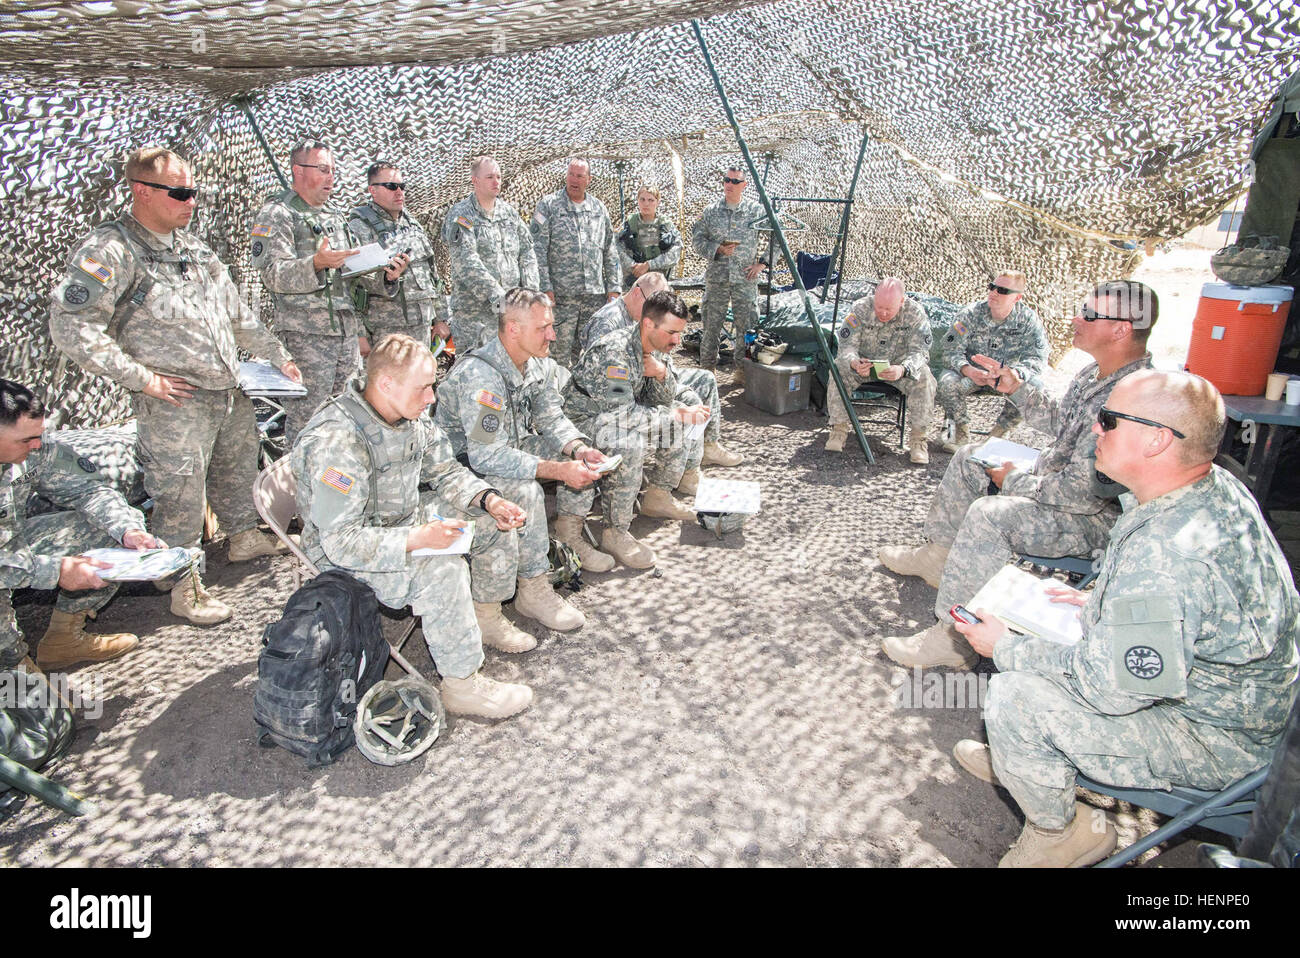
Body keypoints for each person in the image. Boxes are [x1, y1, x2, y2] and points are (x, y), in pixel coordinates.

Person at [950, 370, 1299, 867]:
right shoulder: (1210, 488)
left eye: (1110, 420)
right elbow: (1194, 611)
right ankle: (1025, 765)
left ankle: (1059, 833)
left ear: (1158, 440)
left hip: (1217, 738)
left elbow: (1112, 688)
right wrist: (1100, 604)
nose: (1096, 428)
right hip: (1238, 706)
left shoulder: (1168, 552)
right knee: (1041, 633)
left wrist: (1003, 646)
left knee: (1015, 696)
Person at [48, 146, 296, 625]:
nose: (191, 202)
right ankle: (184, 584)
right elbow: (72, 326)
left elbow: (235, 315)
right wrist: (141, 379)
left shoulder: (193, 248)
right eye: (180, 192)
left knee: (234, 470)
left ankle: (243, 536)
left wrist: (275, 354)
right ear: (142, 190)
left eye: (194, 192)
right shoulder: (113, 250)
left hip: (226, 389)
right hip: (174, 401)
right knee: (180, 497)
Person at [879, 280, 1158, 670]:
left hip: (1090, 519)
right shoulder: (1096, 373)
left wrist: (1011, 480)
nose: (1077, 318)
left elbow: (1080, 496)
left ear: (1121, 329)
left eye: (1090, 314)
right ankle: (937, 560)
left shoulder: (1134, 397)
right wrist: (1015, 388)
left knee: (987, 517)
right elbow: (1062, 423)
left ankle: (954, 641)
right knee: (970, 457)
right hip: (1056, 481)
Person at [291, 335, 533, 719]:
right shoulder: (337, 440)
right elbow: (339, 542)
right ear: (386, 384)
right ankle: (462, 684)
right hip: (348, 554)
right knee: (441, 565)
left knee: (489, 522)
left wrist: (488, 499)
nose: (432, 398)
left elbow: (445, 469)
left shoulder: (407, 412)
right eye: (424, 387)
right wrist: (419, 539)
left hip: (399, 520)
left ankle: (486, 617)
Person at [436, 288, 611, 630]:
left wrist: (578, 450)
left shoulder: (536, 364)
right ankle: (532, 588)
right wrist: (557, 470)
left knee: (584, 458)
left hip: (506, 449)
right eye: (543, 328)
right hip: (462, 468)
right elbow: (484, 455)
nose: (553, 334)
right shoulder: (480, 376)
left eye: (551, 325)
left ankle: (571, 535)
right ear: (513, 329)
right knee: (526, 489)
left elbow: (551, 419)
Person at [1, 380, 163, 670]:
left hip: (11, 543)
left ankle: (63, 640)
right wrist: (54, 570)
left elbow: (89, 490)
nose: (36, 445)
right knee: (36, 705)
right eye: (25, 440)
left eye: (38, 435)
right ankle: (13, 662)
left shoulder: (36, 445)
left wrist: (128, 531)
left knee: (111, 534)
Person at [563, 291, 711, 568]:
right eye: (671, 332)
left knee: (677, 418)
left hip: (615, 415)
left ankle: (658, 495)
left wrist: (660, 373)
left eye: (680, 333)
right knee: (631, 441)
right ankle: (614, 531)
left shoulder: (654, 347)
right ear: (647, 325)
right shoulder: (614, 354)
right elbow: (623, 416)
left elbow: (662, 400)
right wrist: (676, 414)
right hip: (582, 421)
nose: (677, 341)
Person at [583, 271, 744, 481]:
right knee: (684, 406)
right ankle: (677, 475)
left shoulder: (645, 317)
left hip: (646, 378)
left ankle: (704, 450)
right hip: (618, 393)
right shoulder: (608, 322)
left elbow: (659, 362)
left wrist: (661, 372)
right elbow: (608, 379)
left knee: (704, 381)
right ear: (637, 294)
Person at [251, 139, 360, 445]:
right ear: (298, 171)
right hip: (306, 336)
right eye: (323, 169)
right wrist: (315, 264)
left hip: (345, 332)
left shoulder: (336, 217)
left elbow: (348, 272)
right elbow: (274, 274)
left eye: (333, 170)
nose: (331, 177)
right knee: (308, 423)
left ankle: (336, 484)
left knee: (347, 416)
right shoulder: (278, 214)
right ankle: (301, 489)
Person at [824, 277, 936, 463]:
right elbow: (846, 346)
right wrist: (854, 362)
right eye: (879, 307)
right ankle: (838, 429)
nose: (883, 313)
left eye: (888, 309)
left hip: (898, 368)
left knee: (924, 377)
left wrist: (903, 369)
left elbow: (921, 352)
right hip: (864, 366)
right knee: (837, 369)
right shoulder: (860, 308)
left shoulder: (915, 313)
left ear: (901, 302)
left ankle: (918, 440)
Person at [937, 271, 1049, 451]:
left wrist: (1015, 374)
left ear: (1017, 297)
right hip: (972, 375)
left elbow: (1038, 357)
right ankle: (960, 433)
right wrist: (968, 370)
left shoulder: (1028, 320)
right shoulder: (970, 313)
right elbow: (950, 350)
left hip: (1005, 379)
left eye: (1002, 290)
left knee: (1034, 386)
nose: (994, 293)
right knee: (947, 381)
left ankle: (996, 436)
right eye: (992, 287)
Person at [348, 161, 451, 353]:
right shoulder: (359, 228)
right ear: (373, 190)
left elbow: (432, 275)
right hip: (386, 333)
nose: (399, 192)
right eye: (391, 186)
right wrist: (359, 334)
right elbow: (350, 286)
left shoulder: (412, 225)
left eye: (402, 186)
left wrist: (441, 319)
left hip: (422, 330)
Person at [443, 156, 539, 352]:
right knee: (476, 374)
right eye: (489, 177)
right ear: (475, 181)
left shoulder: (509, 214)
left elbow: (527, 251)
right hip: (475, 316)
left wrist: (529, 294)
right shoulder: (461, 215)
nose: (496, 182)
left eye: (498, 177)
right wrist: (501, 300)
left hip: (511, 314)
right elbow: (467, 262)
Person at [530, 158, 620, 366]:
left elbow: (610, 251)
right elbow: (537, 250)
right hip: (561, 297)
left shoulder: (599, 209)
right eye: (571, 174)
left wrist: (614, 288)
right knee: (558, 354)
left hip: (594, 298)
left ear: (589, 179)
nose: (574, 180)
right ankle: (557, 396)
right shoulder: (548, 206)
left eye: (579, 176)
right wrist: (544, 287)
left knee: (592, 353)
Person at [690, 166, 766, 379]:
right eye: (727, 180)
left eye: (735, 181)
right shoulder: (711, 212)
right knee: (711, 325)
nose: (730, 185)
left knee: (746, 326)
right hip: (718, 278)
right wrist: (718, 249)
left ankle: (742, 370)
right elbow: (697, 239)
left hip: (745, 278)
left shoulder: (756, 211)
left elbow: (778, 237)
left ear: (744, 185)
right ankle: (707, 371)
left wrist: (762, 263)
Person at [616, 186, 681, 290]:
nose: (646, 204)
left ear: (657, 202)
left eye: (651, 200)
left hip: (659, 283)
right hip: (633, 283)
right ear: (637, 200)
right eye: (642, 199)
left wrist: (648, 265)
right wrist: (634, 266)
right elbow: (616, 249)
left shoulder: (666, 226)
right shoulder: (629, 224)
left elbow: (675, 254)